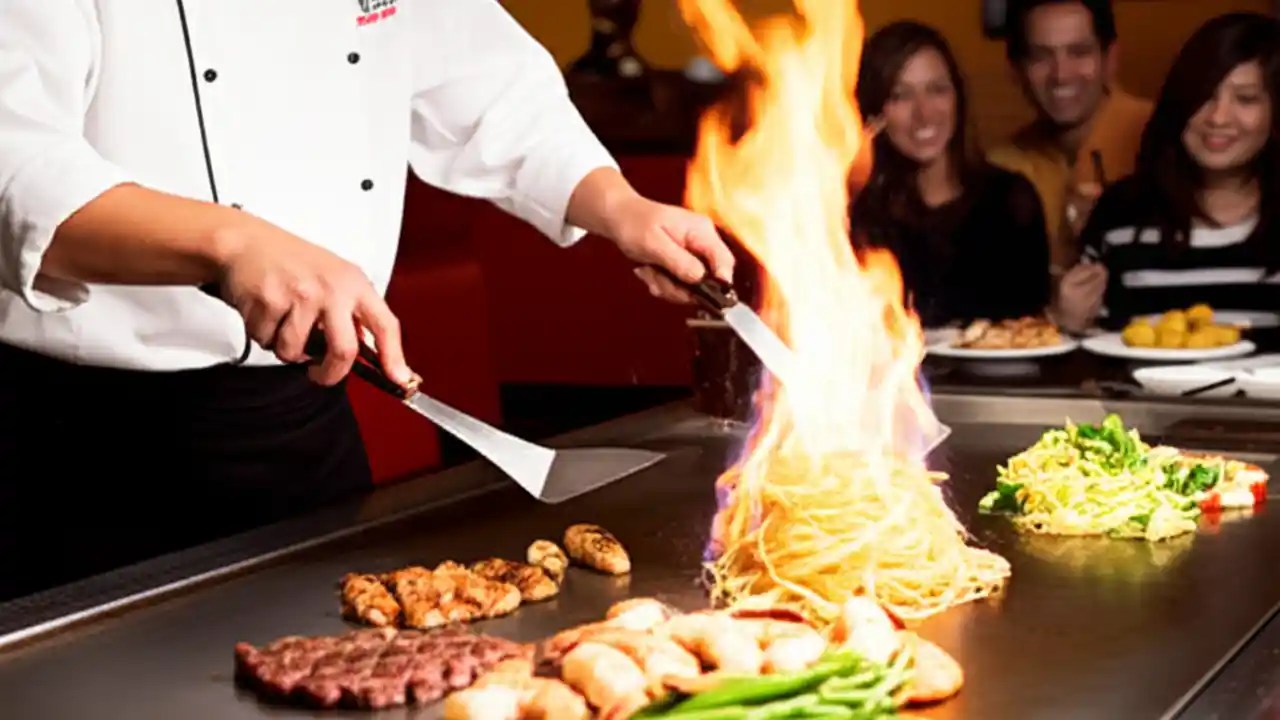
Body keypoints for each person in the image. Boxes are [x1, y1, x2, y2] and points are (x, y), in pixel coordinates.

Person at [0, 1, 735, 600]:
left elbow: (490, 87)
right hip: (78, 456)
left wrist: (618, 206)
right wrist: (231, 243)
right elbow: (17, 167)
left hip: (303, 432)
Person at [1053, 12, 1280, 332]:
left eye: (1245, 99)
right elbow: (1088, 351)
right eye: (1203, 95)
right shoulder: (1120, 213)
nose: (1218, 117)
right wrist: (1066, 321)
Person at [850, 21, 1051, 328]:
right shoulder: (858, 213)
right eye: (900, 96)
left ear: (958, 96)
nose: (924, 113)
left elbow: (1032, 326)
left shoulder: (1010, 201)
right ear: (875, 112)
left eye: (937, 90)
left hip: (996, 376)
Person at [988, 0, 1153, 283]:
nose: (1061, 75)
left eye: (1079, 52)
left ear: (1110, 59)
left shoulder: (1162, 137)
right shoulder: (1000, 168)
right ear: (1015, 70)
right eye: (1041, 56)